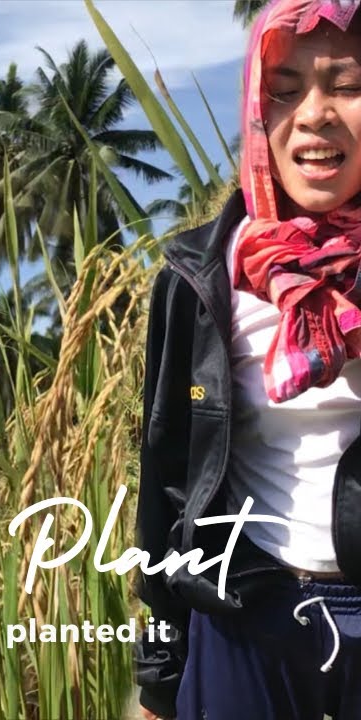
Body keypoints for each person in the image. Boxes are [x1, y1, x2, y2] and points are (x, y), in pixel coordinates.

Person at [135, 2, 361, 718]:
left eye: (349, 85)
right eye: (284, 91)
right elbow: (170, 478)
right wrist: (160, 669)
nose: (315, 114)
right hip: (246, 618)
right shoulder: (201, 276)